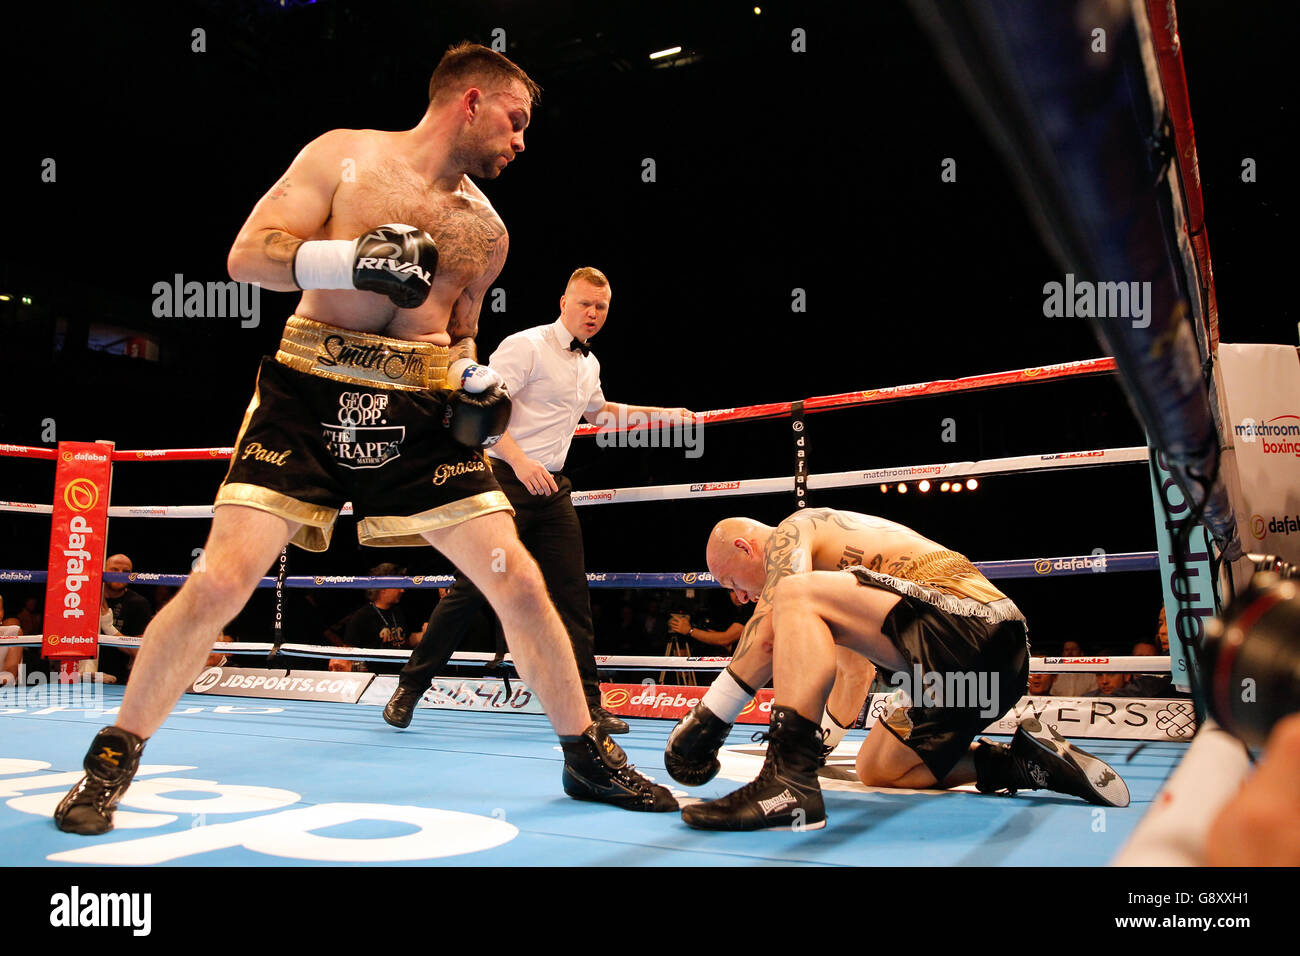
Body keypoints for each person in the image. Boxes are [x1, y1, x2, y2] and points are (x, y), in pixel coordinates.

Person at [54, 42, 675, 836]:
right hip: (308, 392)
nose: (521, 142)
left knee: (517, 580)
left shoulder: (489, 234)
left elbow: (459, 336)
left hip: (416, 407)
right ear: (471, 101)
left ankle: (586, 754)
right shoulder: (344, 156)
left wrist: (470, 380)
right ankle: (114, 756)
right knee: (222, 579)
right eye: (515, 122)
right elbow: (248, 255)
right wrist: (352, 260)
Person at [668, 509, 1130, 831]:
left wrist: (710, 714)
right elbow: (852, 676)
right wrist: (817, 745)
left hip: (972, 621)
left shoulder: (795, 529)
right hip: (983, 672)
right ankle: (1023, 764)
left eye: (732, 583)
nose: (741, 598)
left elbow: (772, 618)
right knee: (880, 768)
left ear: (748, 547)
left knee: (791, 595)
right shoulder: (841, 604)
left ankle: (787, 785)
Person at [382, 266, 694, 733]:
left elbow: (603, 412)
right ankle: (410, 687)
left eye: (601, 307)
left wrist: (664, 415)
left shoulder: (589, 364)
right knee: (473, 587)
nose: (592, 313)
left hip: (551, 490)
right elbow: (480, 409)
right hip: (506, 480)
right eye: (585, 303)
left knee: (571, 594)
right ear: (563, 302)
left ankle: (589, 704)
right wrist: (520, 461)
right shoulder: (525, 346)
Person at [340, 563, 425, 674]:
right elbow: (348, 651)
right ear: (384, 588)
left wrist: (424, 635)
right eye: (398, 585)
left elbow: (404, 641)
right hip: (375, 677)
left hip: (400, 674)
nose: (402, 590)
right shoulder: (362, 616)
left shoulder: (398, 611)